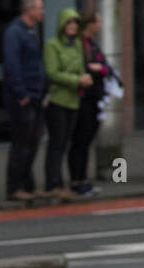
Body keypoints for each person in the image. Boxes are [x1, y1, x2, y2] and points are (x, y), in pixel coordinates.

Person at [68, 5, 116, 197]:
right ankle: (76, 180)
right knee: (80, 139)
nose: (100, 24)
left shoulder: (91, 42)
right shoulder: (81, 45)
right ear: (90, 25)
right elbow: (84, 68)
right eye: (98, 21)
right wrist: (97, 69)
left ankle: (83, 179)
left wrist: (103, 70)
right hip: (84, 97)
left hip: (94, 95)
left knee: (86, 139)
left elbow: (104, 66)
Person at [42, 7, 89, 201]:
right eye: (69, 23)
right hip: (57, 100)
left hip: (73, 101)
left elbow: (79, 67)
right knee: (56, 143)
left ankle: (62, 181)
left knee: (66, 142)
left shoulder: (77, 45)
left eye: (75, 24)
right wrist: (76, 81)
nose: (72, 27)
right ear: (62, 25)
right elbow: (52, 73)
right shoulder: (52, 46)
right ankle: (53, 183)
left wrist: (85, 76)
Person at [2, 0, 47, 202]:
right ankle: (14, 186)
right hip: (22, 97)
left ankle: (28, 184)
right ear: (30, 10)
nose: (43, 12)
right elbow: (12, 65)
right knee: (22, 142)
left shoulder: (31, 32)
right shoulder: (15, 32)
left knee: (33, 141)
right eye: (40, 8)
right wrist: (21, 94)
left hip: (35, 94)